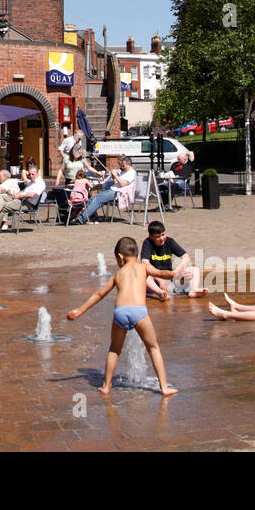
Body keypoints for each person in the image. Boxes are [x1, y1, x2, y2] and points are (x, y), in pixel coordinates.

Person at [66, 236, 178, 397]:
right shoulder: (144, 268)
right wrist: (174, 272)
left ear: (120, 256)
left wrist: (79, 311)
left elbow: (99, 294)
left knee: (114, 349)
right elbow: (161, 273)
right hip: (139, 312)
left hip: (120, 312)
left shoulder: (118, 274)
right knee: (153, 348)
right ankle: (164, 387)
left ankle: (106, 386)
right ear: (138, 255)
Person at [143, 220, 207, 298]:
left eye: (163, 235)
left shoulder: (169, 241)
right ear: (151, 236)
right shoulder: (147, 243)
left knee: (194, 270)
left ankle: (193, 290)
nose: (162, 238)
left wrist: (177, 272)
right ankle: (161, 293)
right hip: (155, 281)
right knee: (144, 275)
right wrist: (159, 279)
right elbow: (145, 264)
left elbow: (186, 257)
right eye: (158, 237)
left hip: (170, 278)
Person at [72, 156, 136, 225]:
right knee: (93, 198)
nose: (122, 167)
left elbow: (123, 184)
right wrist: (113, 175)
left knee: (97, 199)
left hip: (119, 192)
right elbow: (115, 179)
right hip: (113, 189)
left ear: (128, 164)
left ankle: (81, 219)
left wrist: (116, 176)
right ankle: (90, 217)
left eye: (123, 165)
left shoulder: (132, 173)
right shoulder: (123, 171)